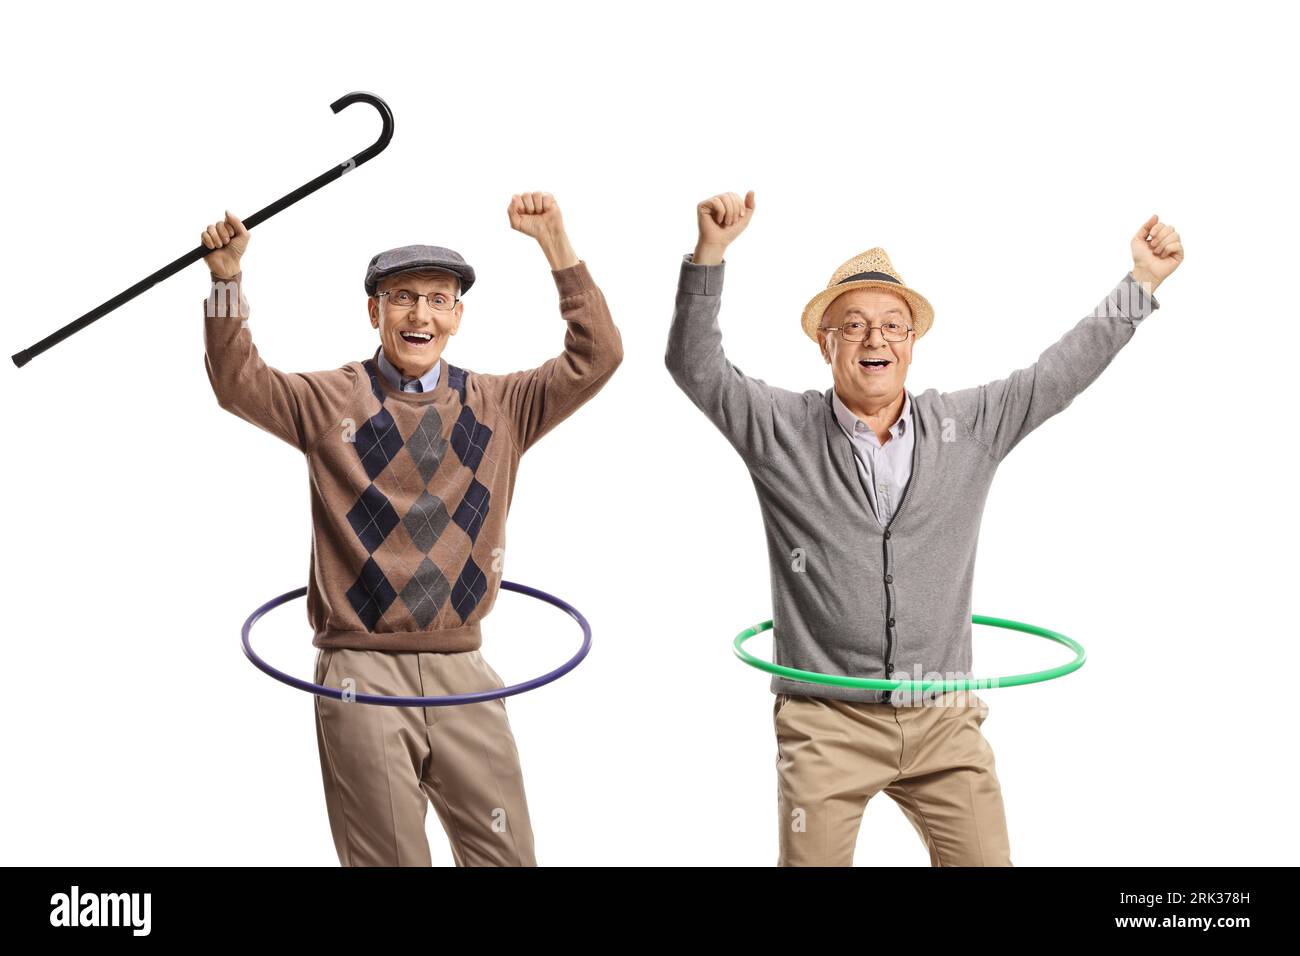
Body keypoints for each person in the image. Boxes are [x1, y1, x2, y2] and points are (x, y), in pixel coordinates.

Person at [664, 190, 1182, 866]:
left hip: (943, 721)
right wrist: (709, 256)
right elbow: (694, 367)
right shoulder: (781, 428)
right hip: (826, 723)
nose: (874, 339)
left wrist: (1140, 280)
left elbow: (1063, 371)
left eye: (892, 325)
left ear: (912, 343)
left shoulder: (971, 425)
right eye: (852, 325)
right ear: (826, 344)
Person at [201, 192, 624, 866]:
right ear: (374, 312)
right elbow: (237, 383)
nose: (419, 313)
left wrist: (557, 247)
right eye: (402, 298)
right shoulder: (328, 401)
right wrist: (226, 281)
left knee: (506, 855)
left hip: (465, 671)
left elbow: (596, 357)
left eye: (436, 298)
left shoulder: (501, 406)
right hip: (359, 674)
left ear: (456, 316)